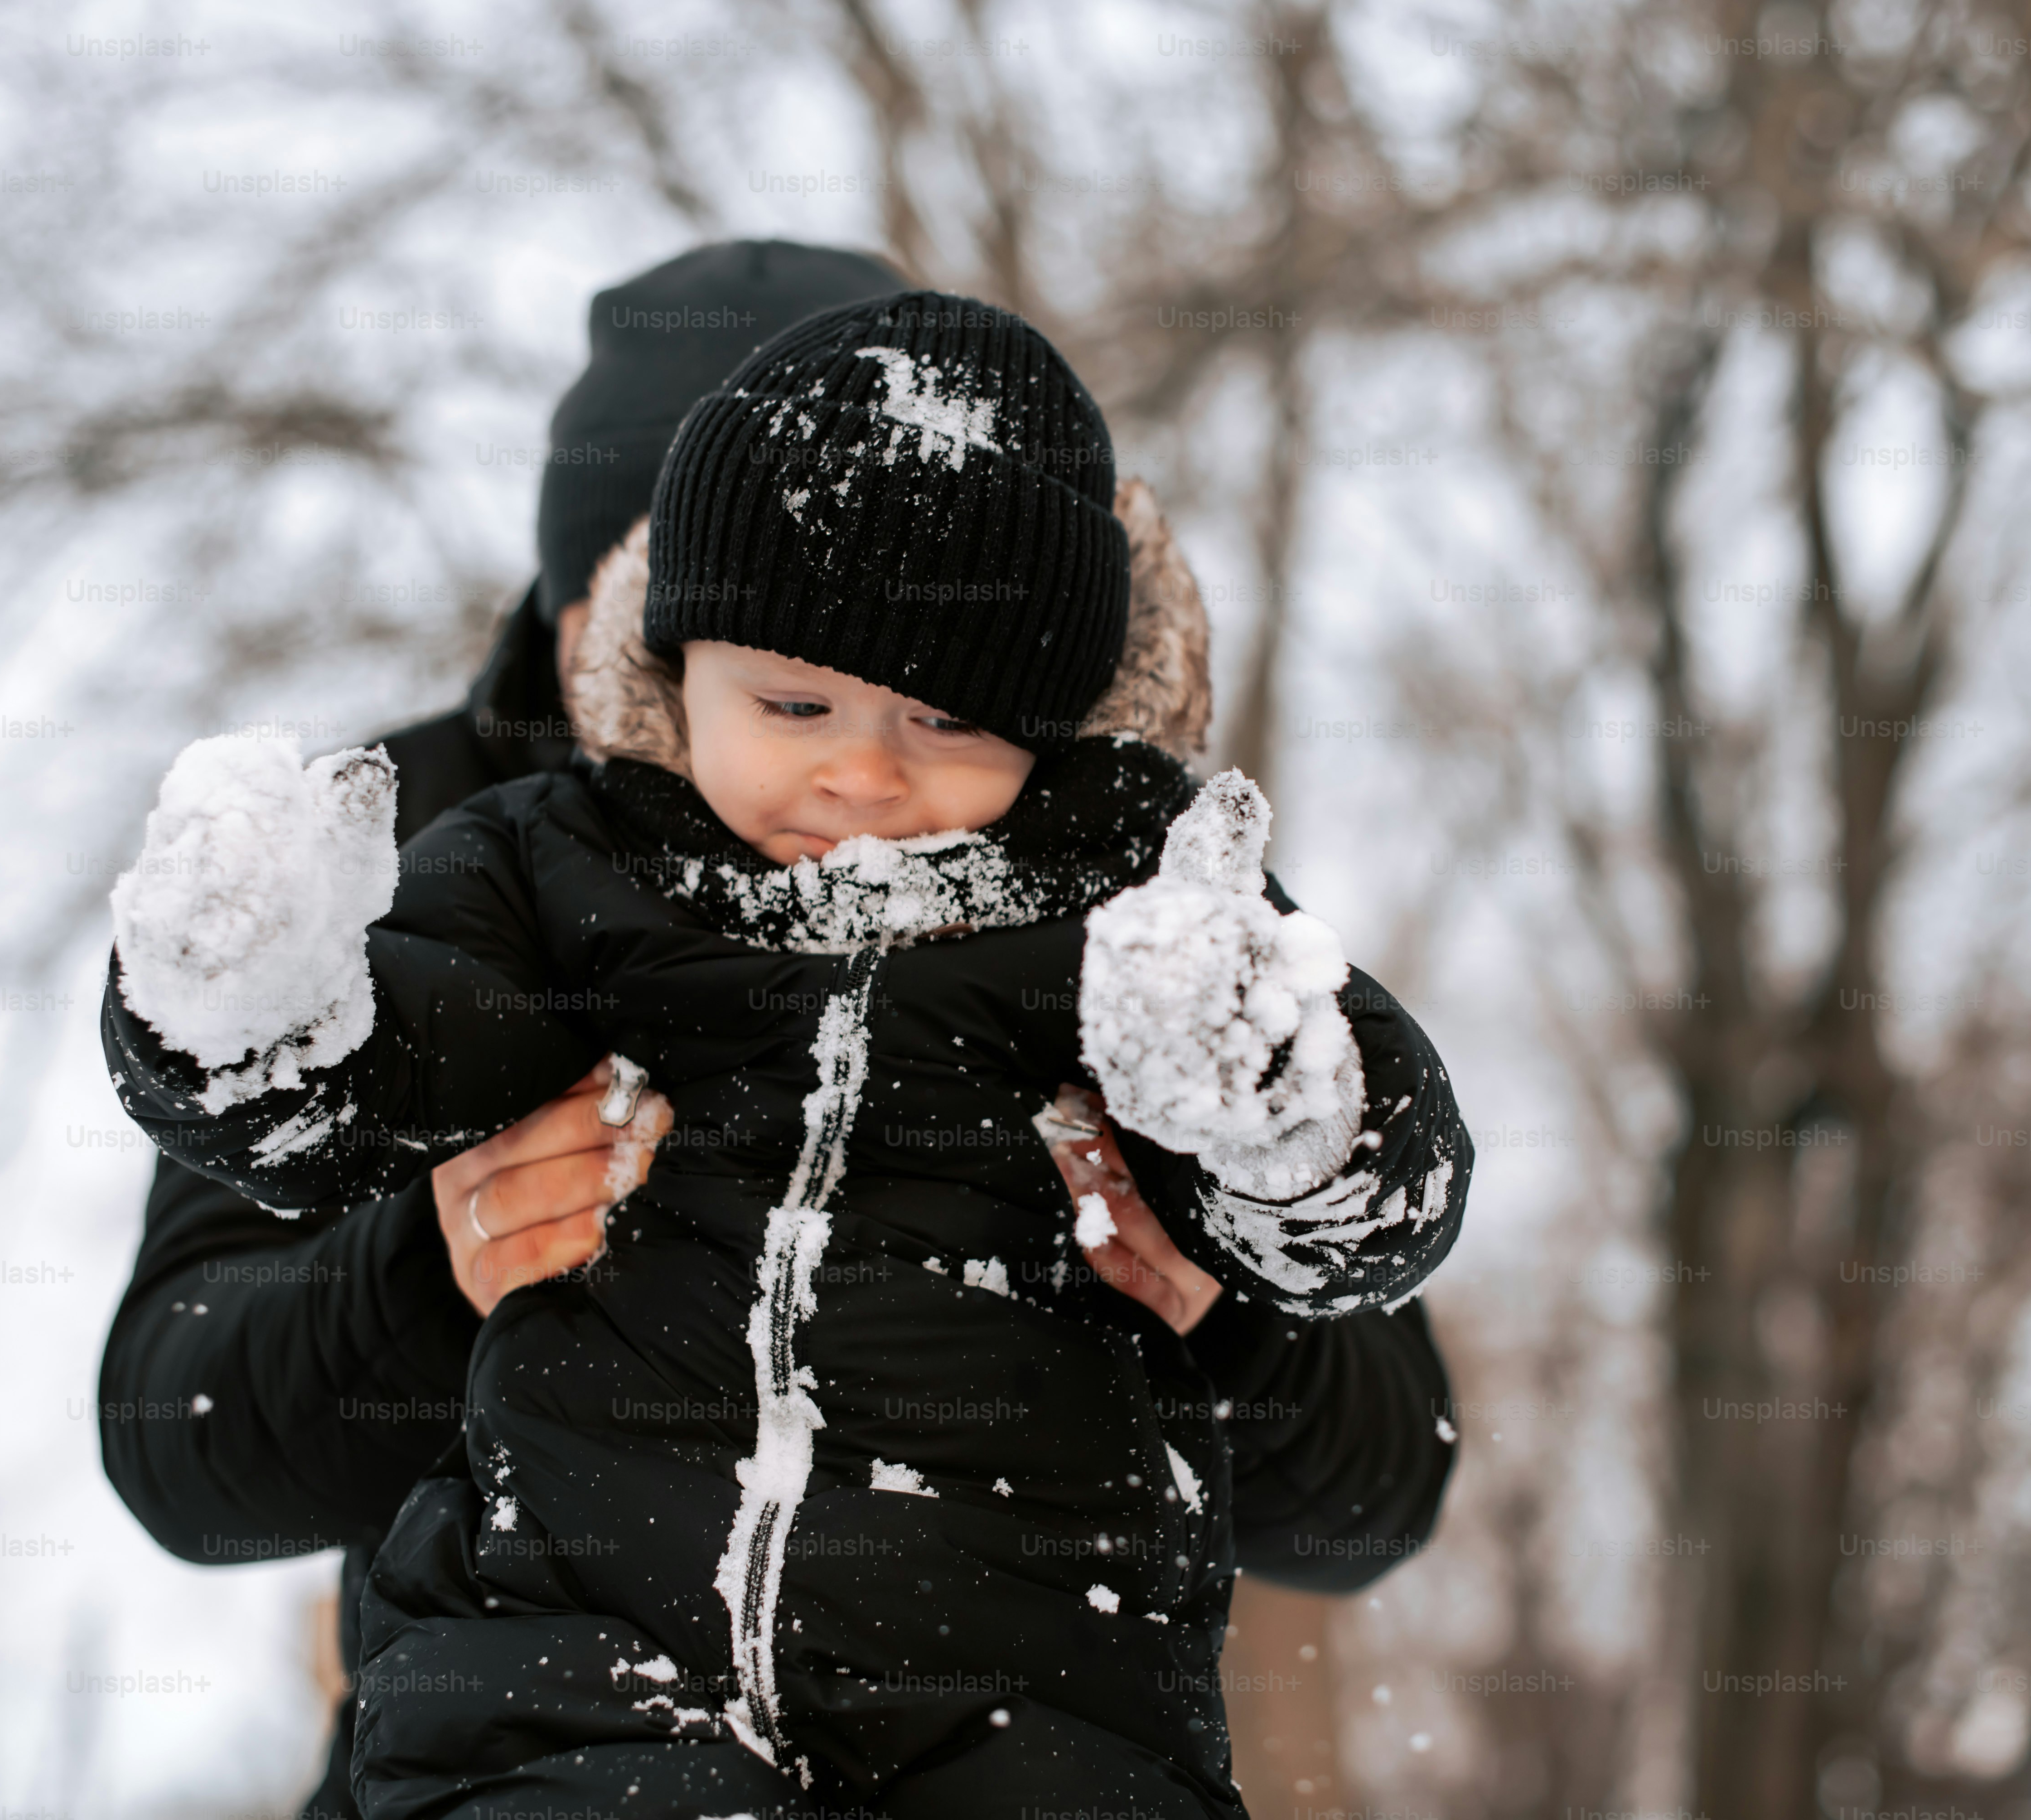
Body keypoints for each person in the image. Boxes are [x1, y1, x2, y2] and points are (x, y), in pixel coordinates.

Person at [95, 266, 1460, 1818]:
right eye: (788, 688)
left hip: (1009, 1685)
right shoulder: (446, 848)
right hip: (557, 1719)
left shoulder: (1135, 898)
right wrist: (426, 1259)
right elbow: (183, 1438)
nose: (855, 778)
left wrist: (1228, 1288)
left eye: (935, 701)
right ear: (641, 625)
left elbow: (1382, 1476)